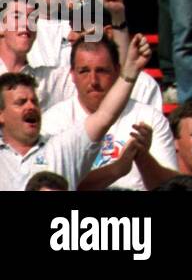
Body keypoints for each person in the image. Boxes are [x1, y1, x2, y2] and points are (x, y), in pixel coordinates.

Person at [0, 34, 153, 191]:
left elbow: (105, 116)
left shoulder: (63, 148)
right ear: (1, 115)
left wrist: (130, 71)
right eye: (21, 102)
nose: (31, 106)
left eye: (34, 101)